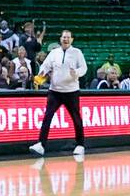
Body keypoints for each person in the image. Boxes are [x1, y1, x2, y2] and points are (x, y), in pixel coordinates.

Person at [29, 29, 88, 159]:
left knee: (76, 118)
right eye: (63, 37)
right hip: (54, 91)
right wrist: (42, 73)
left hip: (71, 91)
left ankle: (80, 145)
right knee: (47, 117)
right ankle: (41, 144)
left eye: (68, 37)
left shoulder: (77, 53)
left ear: (72, 39)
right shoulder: (54, 53)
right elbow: (45, 66)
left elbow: (84, 68)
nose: (65, 39)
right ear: (60, 39)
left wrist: (76, 73)